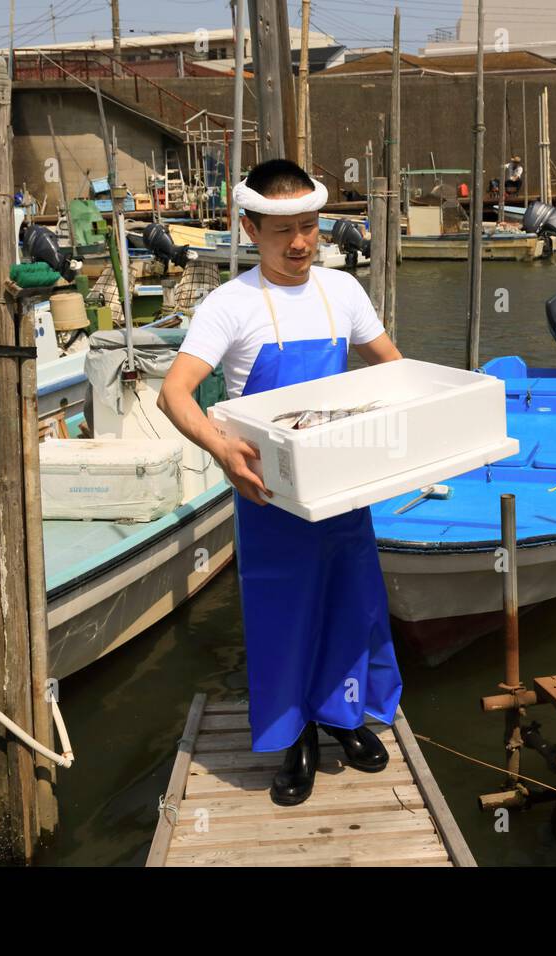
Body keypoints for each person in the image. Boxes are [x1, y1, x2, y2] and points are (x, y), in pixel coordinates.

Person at [157, 159, 405, 807]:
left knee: (351, 602)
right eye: (281, 231)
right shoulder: (228, 305)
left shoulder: (343, 293)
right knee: (283, 615)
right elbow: (174, 393)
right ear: (248, 228)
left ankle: (343, 718)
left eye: (309, 227)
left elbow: (393, 368)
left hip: (342, 482)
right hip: (268, 493)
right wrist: (220, 449)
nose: (300, 243)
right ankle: (292, 740)